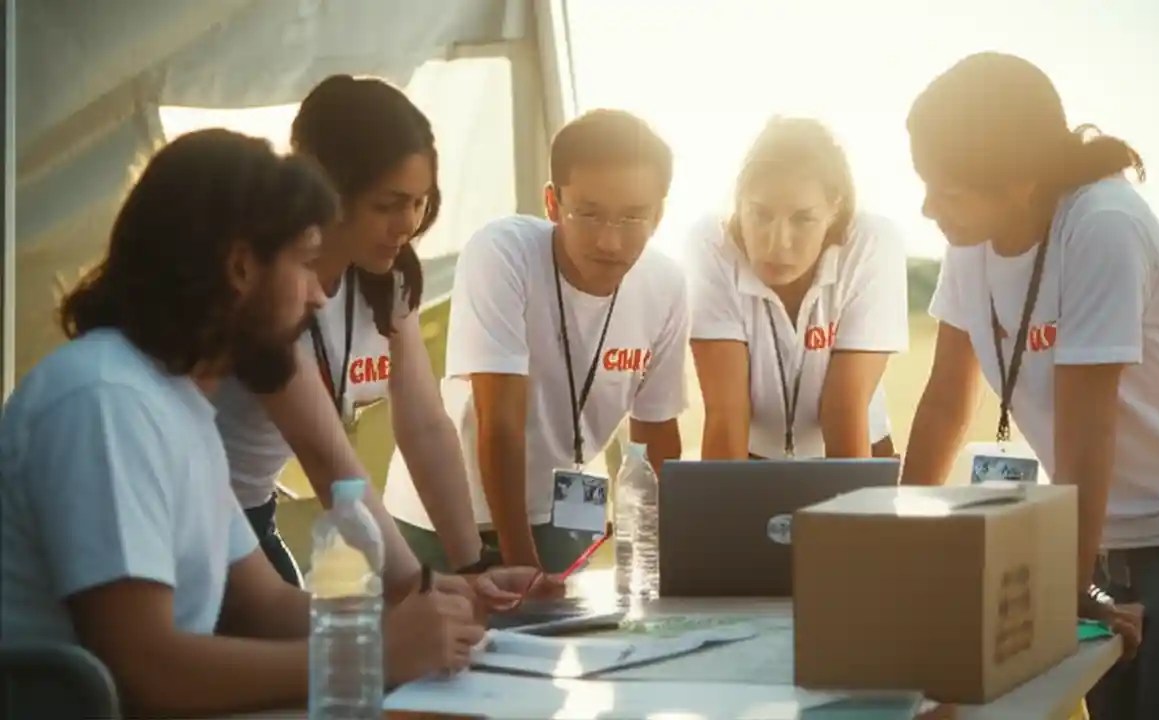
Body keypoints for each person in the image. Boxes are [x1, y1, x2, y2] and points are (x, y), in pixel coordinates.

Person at [0, 129, 545, 717]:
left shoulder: (175, 406)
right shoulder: (106, 400)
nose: (316, 296)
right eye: (307, 264)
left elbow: (263, 605)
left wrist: (435, 613)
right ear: (240, 267)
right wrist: (374, 654)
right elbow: (145, 671)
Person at [899, 52, 1159, 720]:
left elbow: (1087, 425)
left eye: (948, 189)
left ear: (1019, 181)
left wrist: (1064, 587)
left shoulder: (1103, 224)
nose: (928, 206)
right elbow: (942, 404)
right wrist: (894, 545)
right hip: (1097, 535)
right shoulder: (969, 243)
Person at [211, 75, 497, 595]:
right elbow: (327, 461)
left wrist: (472, 568)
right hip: (200, 525)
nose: (407, 224)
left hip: (250, 518)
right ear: (328, 188)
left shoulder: (386, 276)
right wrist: (421, 588)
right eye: (388, 205)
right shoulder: (268, 282)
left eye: (420, 201)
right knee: (323, 657)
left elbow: (426, 427)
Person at [385, 109, 690, 572]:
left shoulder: (666, 284)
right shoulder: (503, 252)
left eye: (632, 217)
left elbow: (655, 434)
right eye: (588, 214)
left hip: (569, 509)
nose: (609, 242)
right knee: (465, 637)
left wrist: (665, 549)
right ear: (552, 204)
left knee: (574, 632)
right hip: (452, 515)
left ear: (659, 213)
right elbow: (501, 422)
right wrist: (524, 567)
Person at [687, 117, 908, 460]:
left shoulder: (872, 242)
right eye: (760, 215)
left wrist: (852, 514)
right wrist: (724, 510)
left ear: (834, 209)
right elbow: (726, 415)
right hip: (751, 457)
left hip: (858, 449)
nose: (778, 243)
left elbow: (844, 410)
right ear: (739, 201)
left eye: (803, 219)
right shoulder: (711, 243)